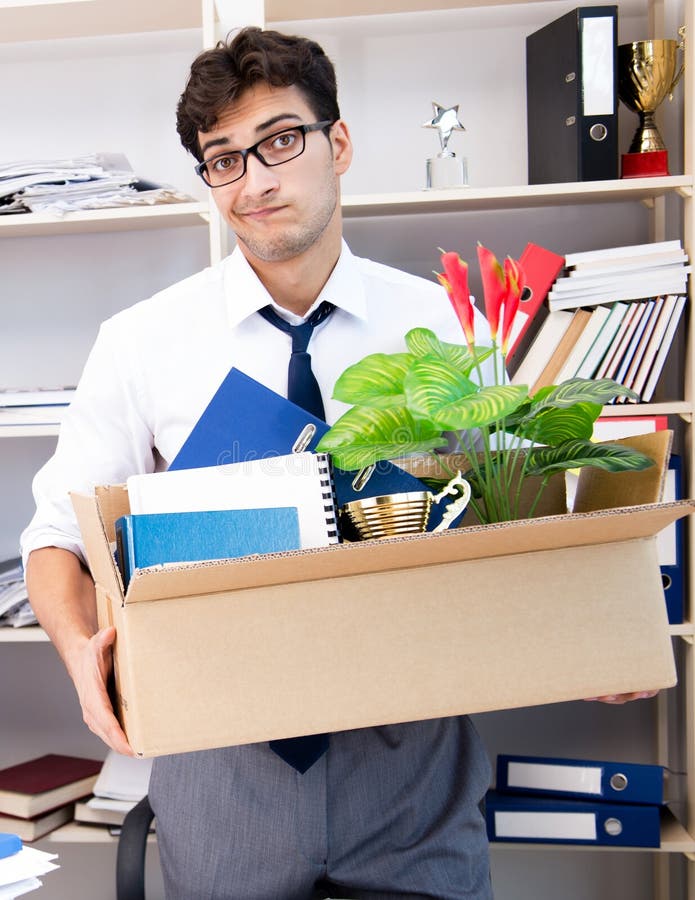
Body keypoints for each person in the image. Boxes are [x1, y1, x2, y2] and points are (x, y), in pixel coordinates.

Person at [20, 25, 654, 900]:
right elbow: (57, 531)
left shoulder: (447, 325)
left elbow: (517, 512)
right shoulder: (141, 342)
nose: (255, 180)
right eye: (223, 158)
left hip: (411, 760)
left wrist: (584, 632)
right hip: (224, 764)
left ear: (339, 143)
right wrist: (79, 651)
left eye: (280, 140)